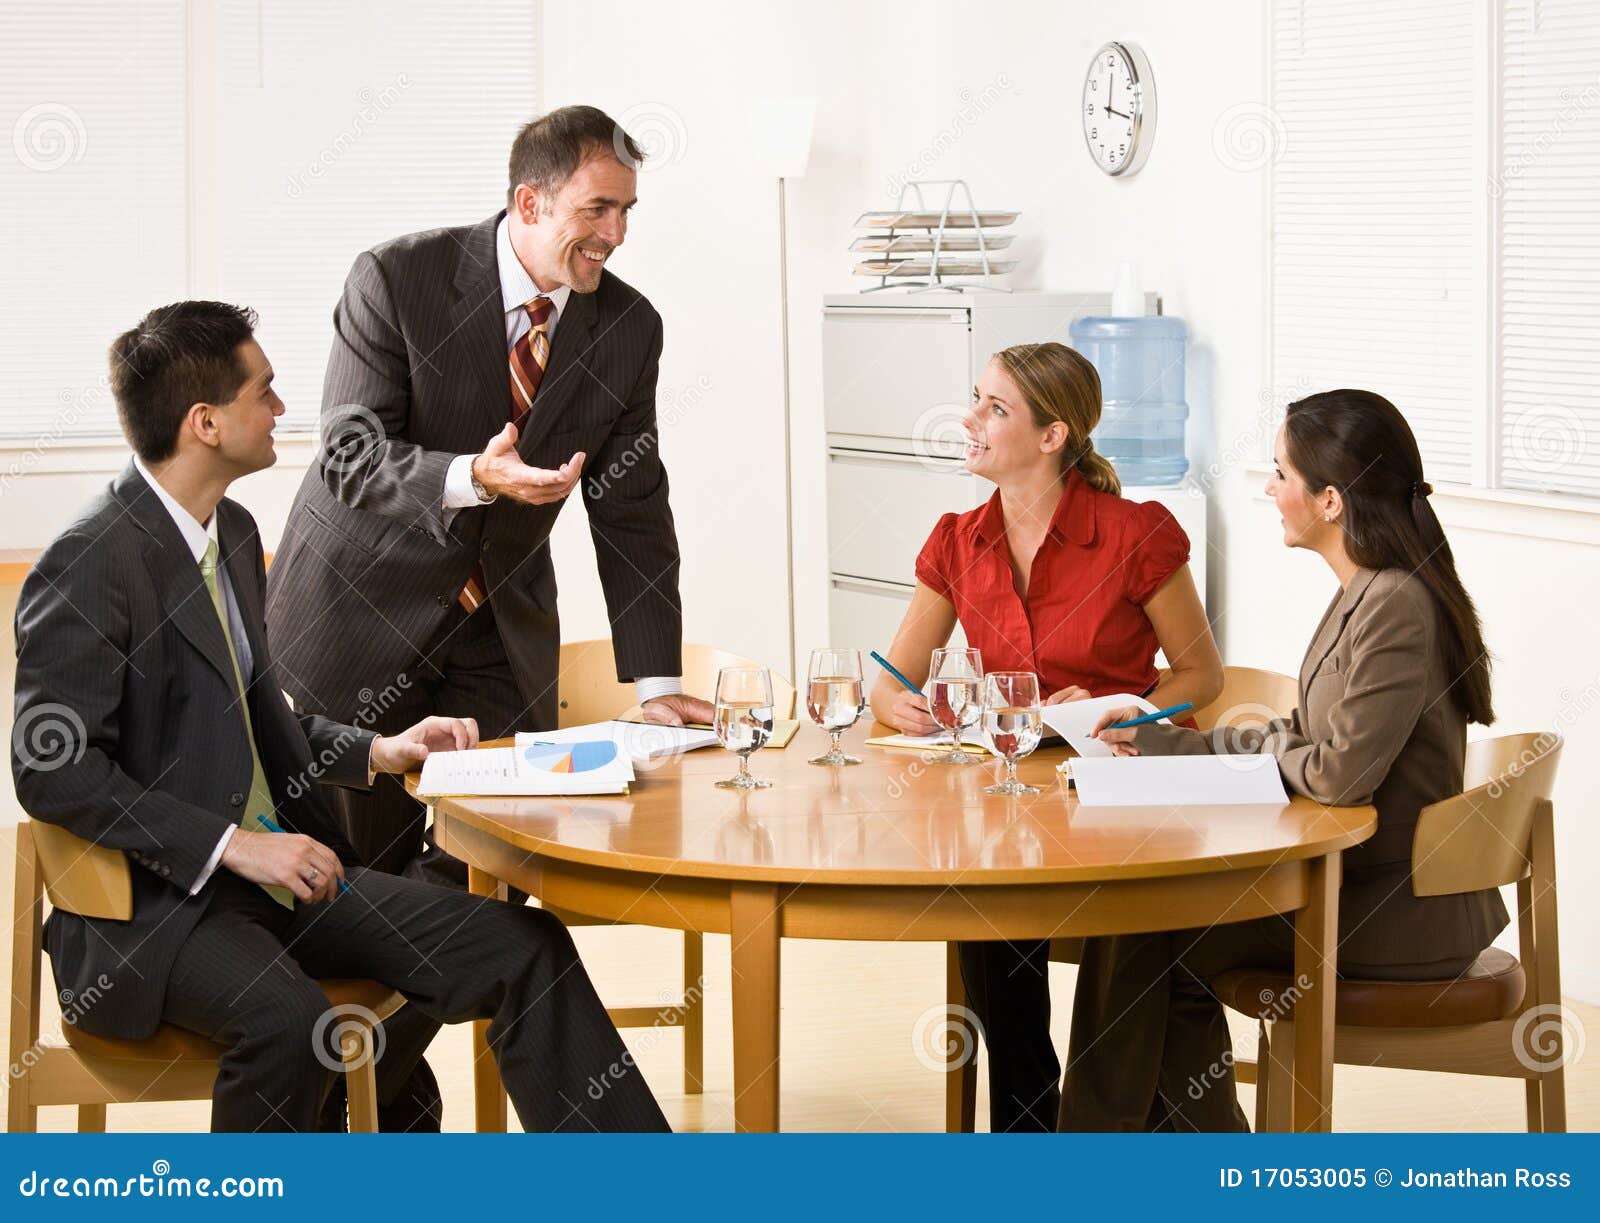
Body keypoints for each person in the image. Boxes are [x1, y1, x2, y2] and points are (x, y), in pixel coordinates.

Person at [12, 301, 670, 1133]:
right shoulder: (89, 560)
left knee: (521, 947)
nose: (284, 410)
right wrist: (237, 846)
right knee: (292, 1025)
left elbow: (250, 718)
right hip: (152, 912)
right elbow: (53, 769)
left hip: (276, 883)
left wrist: (380, 748)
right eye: (265, 392)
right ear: (204, 422)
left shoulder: (235, 534)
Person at [263, 105, 711, 1124]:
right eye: (598, 208)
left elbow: (629, 506)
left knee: (490, 870)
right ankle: (381, 1112)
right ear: (530, 200)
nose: (616, 233)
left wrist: (657, 682)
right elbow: (346, 454)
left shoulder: (625, 324)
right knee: (362, 884)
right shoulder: (398, 278)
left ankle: (360, 1089)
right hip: (354, 625)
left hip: (493, 638)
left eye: (628, 210)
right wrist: (472, 475)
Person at [1061, 388, 1506, 1132]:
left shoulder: (1394, 601)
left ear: (1330, 499)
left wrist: (1272, 750)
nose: (1269, 490)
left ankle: (1089, 1165)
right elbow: (1304, 732)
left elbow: (1339, 773)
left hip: (1396, 913)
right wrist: (1173, 739)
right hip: (1363, 889)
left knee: (1143, 927)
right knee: (1146, 933)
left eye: (1280, 474)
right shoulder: (1364, 591)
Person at [866, 342, 1223, 1132]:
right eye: (976, 399)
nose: (971, 419)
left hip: (1119, 795)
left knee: (1022, 903)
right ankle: (1029, 1128)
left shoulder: (1136, 533)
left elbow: (1200, 676)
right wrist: (899, 705)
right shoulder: (958, 539)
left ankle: (1093, 1131)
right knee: (986, 895)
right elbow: (892, 679)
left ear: (1053, 435)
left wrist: (1120, 705)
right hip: (1013, 795)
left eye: (995, 408)